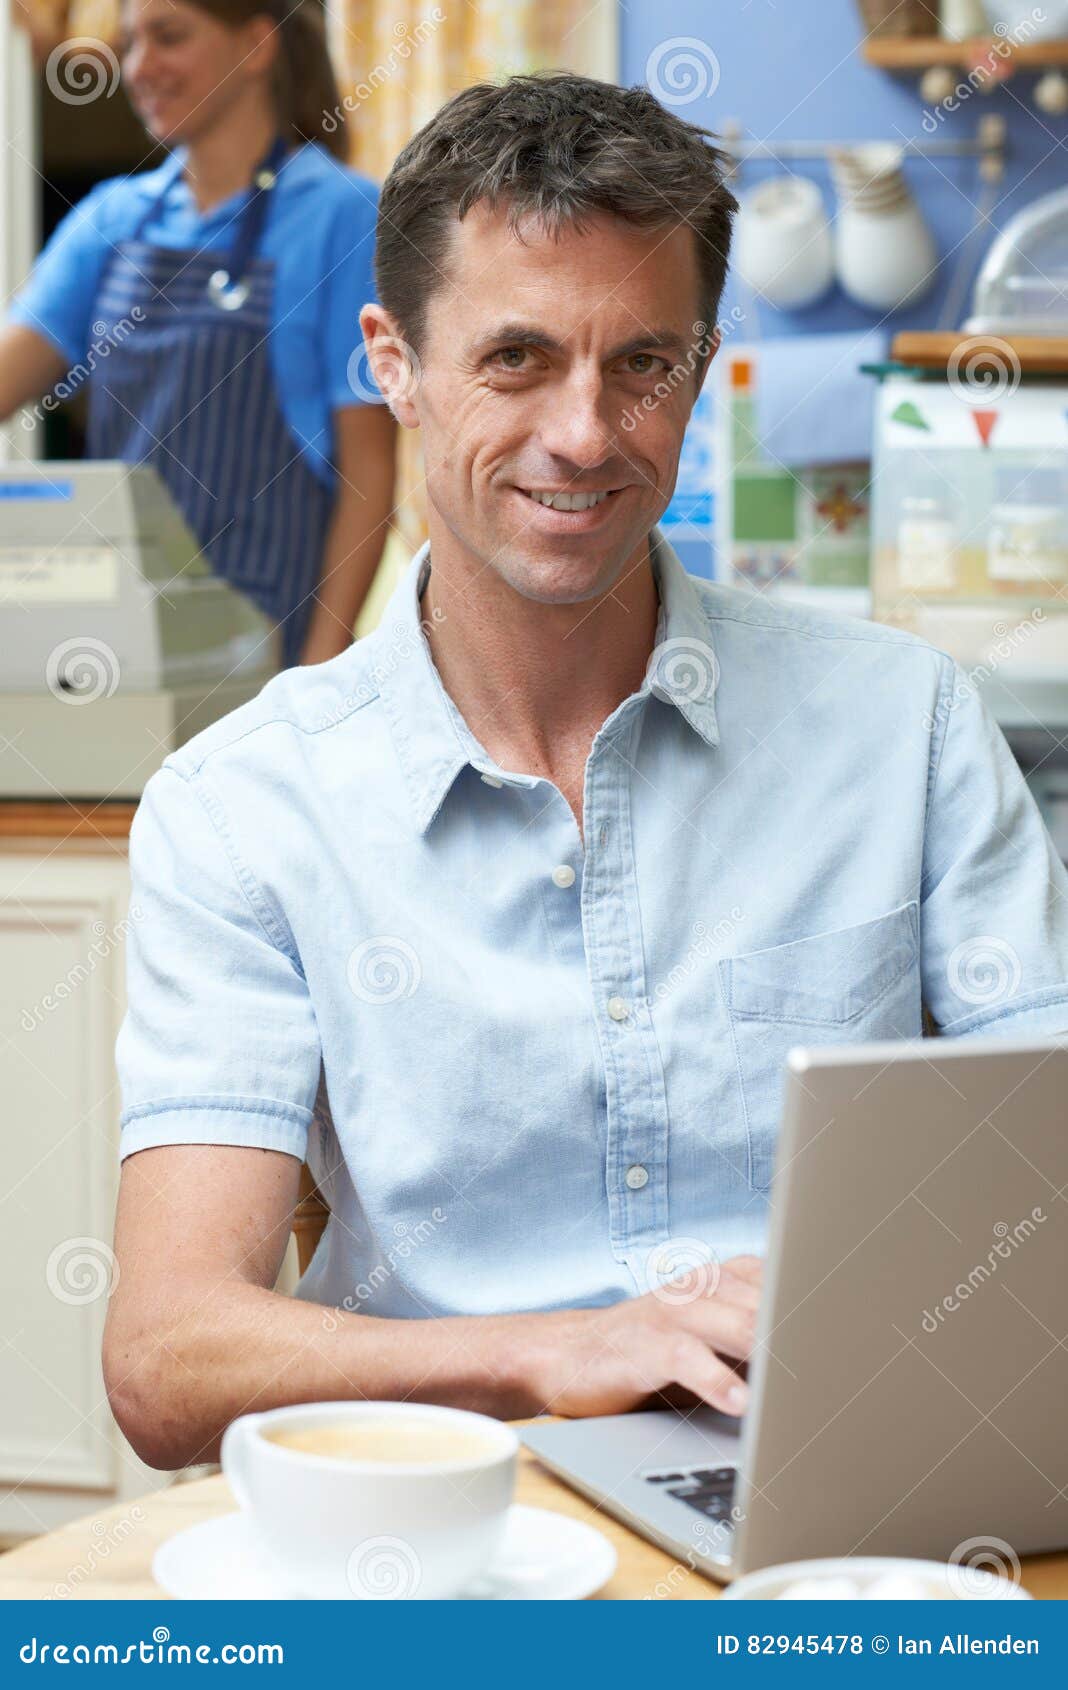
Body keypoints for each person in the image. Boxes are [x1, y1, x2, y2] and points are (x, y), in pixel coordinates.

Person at [103, 73, 1068, 1470]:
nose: (584, 433)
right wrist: (553, 1352)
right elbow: (168, 1355)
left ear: (702, 361)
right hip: (436, 1514)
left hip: (836, 1485)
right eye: (516, 360)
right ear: (393, 361)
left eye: (643, 364)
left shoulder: (901, 725)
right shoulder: (242, 807)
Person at [0, 0, 395, 665]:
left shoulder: (344, 217)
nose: (138, 67)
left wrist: (320, 673)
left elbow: (368, 473)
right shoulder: (112, 221)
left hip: (266, 647)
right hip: (114, 647)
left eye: (169, 37)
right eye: (130, 43)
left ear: (257, 44)